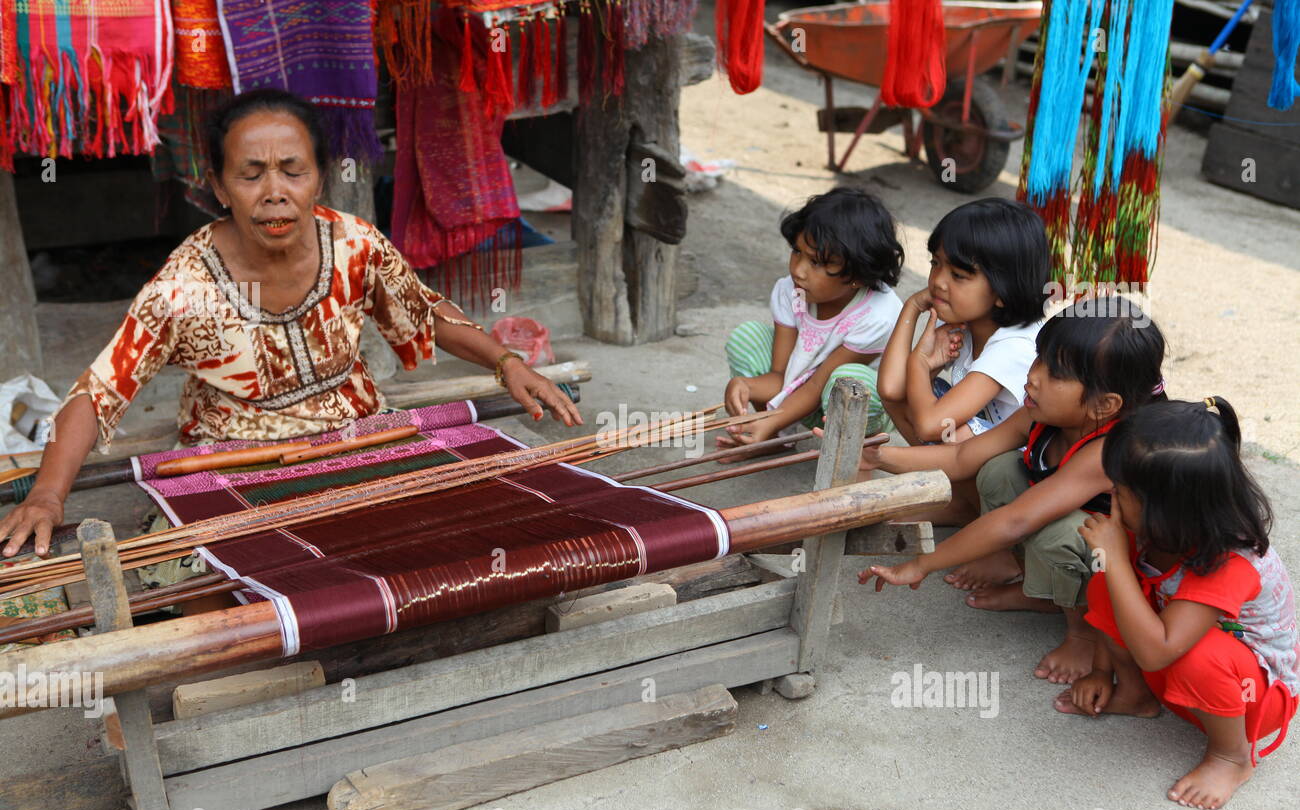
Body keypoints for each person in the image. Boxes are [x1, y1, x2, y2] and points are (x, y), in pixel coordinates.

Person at [0, 89, 582, 563]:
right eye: (251, 175)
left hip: (360, 444)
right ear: (221, 187)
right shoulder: (184, 287)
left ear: (319, 179)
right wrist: (48, 496)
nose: (275, 193)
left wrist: (506, 364)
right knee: (226, 584)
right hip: (234, 467)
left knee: (478, 540)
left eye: (291, 171)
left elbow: (424, 310)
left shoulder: (356, 245)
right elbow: (98, 393)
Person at [854, 296, 1166, 685]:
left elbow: (1015, 521)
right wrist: (877, 457)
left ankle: (1084, 634)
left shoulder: (1107, 449)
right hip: (1078, 532)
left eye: (1056, 373)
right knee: (1000, 470)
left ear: (1105, 404)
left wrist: (921, 564)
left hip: (1126, 568)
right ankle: (1036, 584)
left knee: (1061, 534)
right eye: (1040, 359)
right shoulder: (1043, 412)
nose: (1034, 376)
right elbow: (962, 457)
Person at [1067, 397, 1297, 810]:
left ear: (1168, 509)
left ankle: (1231, 757)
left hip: (1251, 700)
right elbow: (1120, 599)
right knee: (1107, 585)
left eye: (1121, 490)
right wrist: (1102, 670)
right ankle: (1136, 696)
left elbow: (1156, 652)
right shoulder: (1159, 530)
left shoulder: (1233, 564)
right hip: (1172, 666)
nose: (1111, 494)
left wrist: (1116, 556)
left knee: (1200, 654)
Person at [875, 198, 1050, 524]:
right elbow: (890, 390)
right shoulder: (967, 317)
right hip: (978, 458)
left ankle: (982, 519)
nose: (938, 280)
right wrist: (912, 307)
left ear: (1003, 290)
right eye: (935, 263)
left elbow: (931, 425)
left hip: (1022, 481)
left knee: (954, 429)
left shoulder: (1015, 346)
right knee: (923, 401)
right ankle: (962, 499)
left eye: (958, 274)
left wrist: (920, 363)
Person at [721, 187, 904, 453]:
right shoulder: (790, 291)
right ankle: (774, 438)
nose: (798, 270)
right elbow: (782, 376)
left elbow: (819, 382)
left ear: (858, 276)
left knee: (847, 379)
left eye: (817, 263)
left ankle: (854, 456)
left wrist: (771, 418)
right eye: (797, 251)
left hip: (851, 407)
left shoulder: (878, 316)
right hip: (799, 394)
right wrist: (744, 385)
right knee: (746, 337)